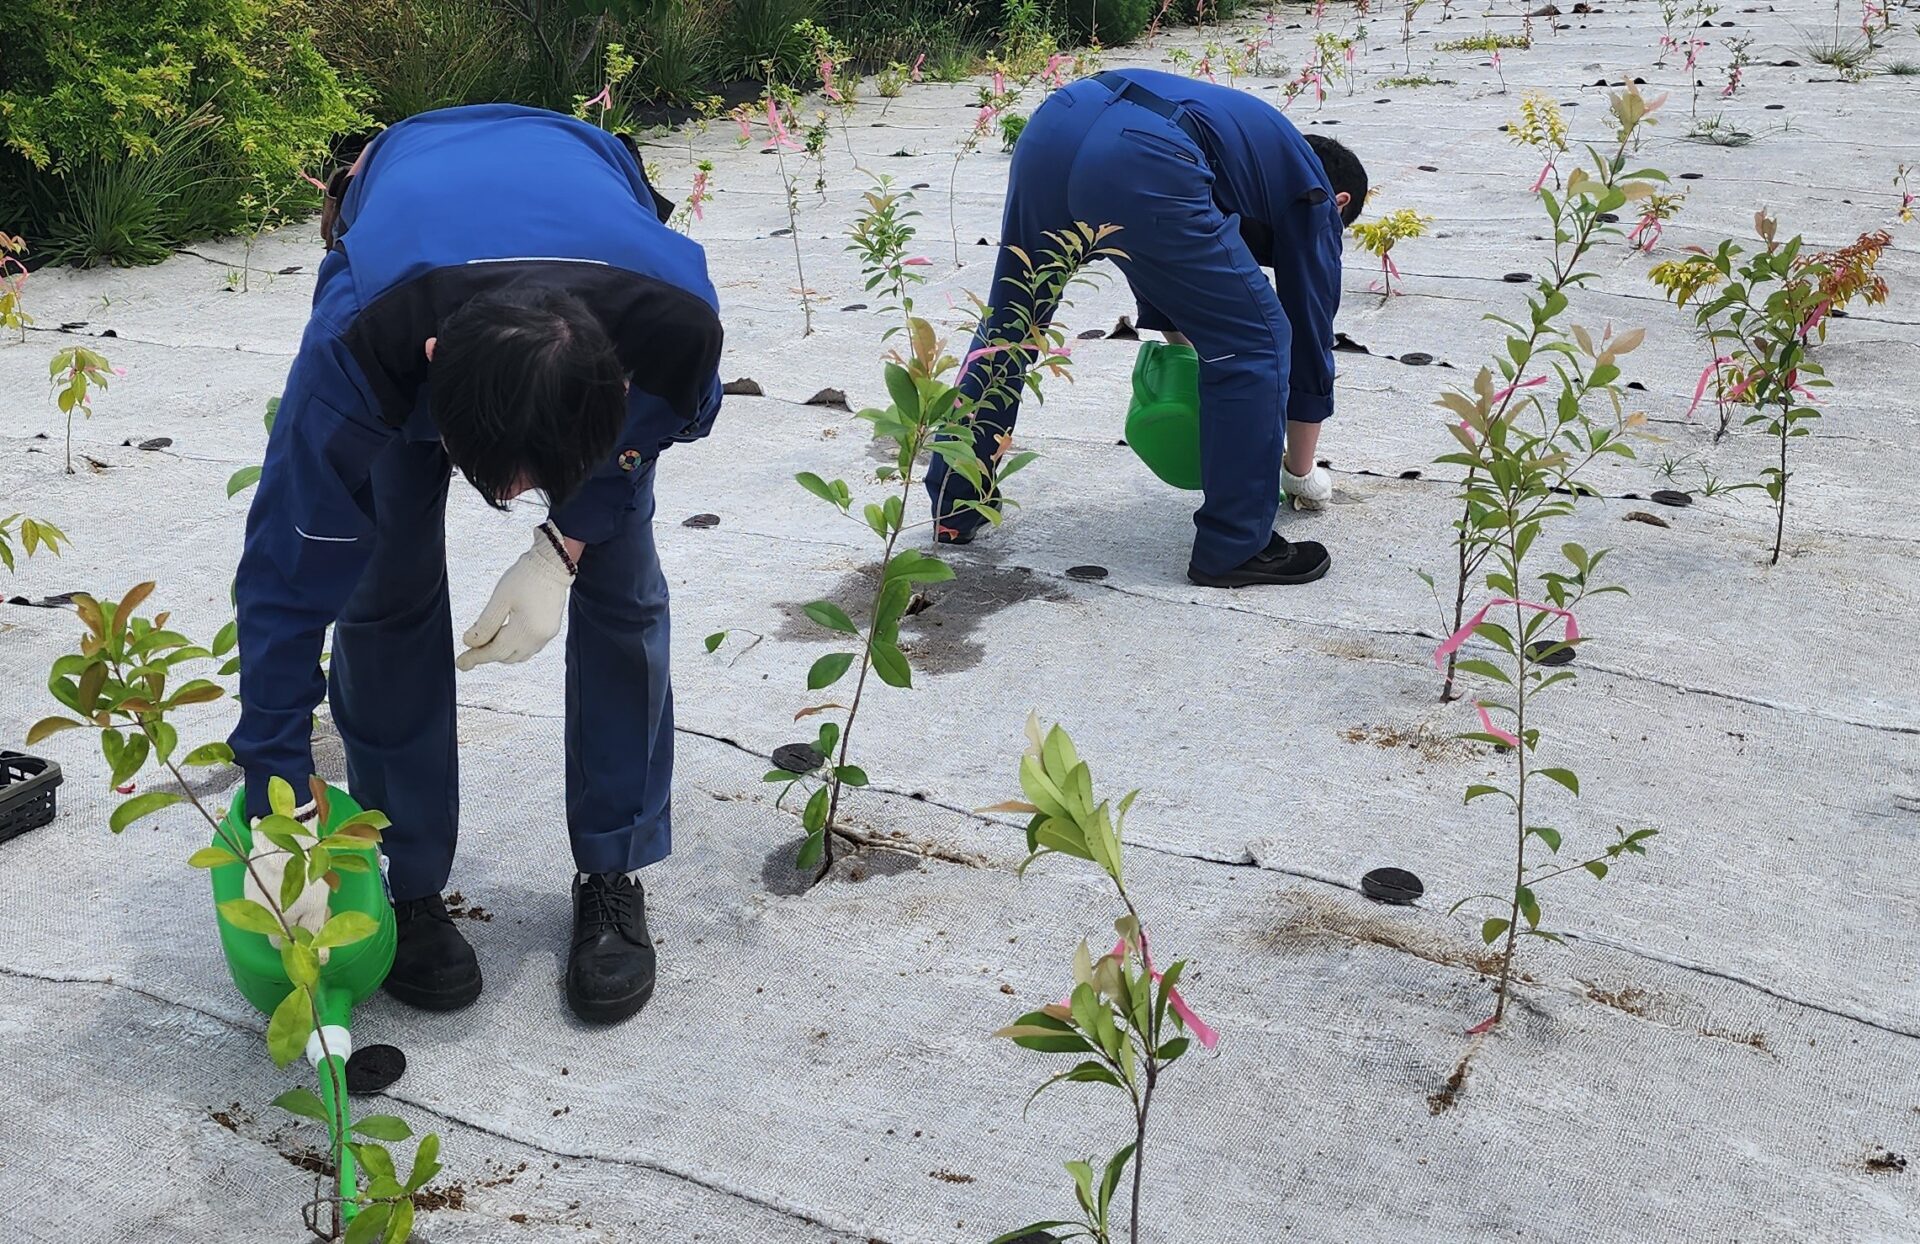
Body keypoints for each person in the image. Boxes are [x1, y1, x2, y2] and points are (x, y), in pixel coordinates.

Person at [231, 105, 724, 1025]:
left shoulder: (672, 331)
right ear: (427, 368)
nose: (516, 497)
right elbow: (286, 574)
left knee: (623, 595)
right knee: (382, 597)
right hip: (413, 233)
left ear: (613, 389)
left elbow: (637, 447)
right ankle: (404, 879)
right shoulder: (361, 344)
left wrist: (564, 545)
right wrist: (277, 801)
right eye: (501, 481)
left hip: (586, 212)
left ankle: (611, 870)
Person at [925, 68, 1366, 588]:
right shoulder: (1313, 195)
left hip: (1057, 123)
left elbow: (1163, 264)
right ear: (1341, 203)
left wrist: (1190, 354)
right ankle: (1237, 546)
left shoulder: (1248, 146)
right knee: (1261, 338)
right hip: (1142, 153)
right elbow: (1306, 336)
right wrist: (1300, 473)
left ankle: (956, 503)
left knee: (1014, 319)